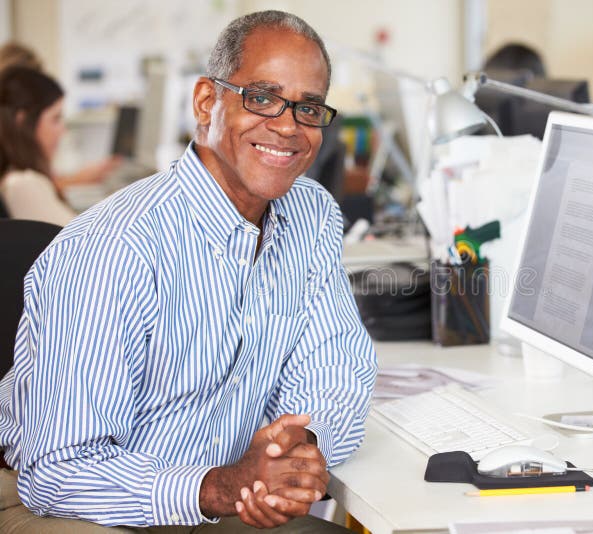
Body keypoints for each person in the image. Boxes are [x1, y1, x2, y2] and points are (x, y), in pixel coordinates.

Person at [0, 10, 376, 533]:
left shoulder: (310, 214)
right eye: (262, 98)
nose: (288, 126)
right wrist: (221, 486)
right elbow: (59, 473)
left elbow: (335, 369)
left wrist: (295, 452)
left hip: (222, 496)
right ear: (206, 102)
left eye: (308, 107)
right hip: (77, 505)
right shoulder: (114, 249)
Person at [0, 41, 122, 194]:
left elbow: (44, 185)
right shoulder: (16, 177)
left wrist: (81, 177)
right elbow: (32, 191)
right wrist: (80, 178)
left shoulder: (21, 157)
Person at [0, 66, 76, 225]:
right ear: (23, 121)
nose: (62, 130)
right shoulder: (23, 184)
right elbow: (85, 243)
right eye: (55, 119)